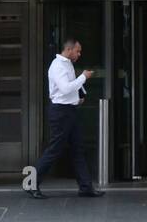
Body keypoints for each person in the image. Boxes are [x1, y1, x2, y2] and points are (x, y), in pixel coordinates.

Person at [29, 38, 104, 198]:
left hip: (70, 110)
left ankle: (85, 187)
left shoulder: (67, 64)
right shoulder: (57, 66)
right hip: (60, 112)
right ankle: (31, 183)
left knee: (78, 148)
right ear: (69, 50)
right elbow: (64, 89)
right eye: (77, 51)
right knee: (55, 149)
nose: (79, 54)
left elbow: (69, 86)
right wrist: (83, 77)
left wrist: (78, 97)